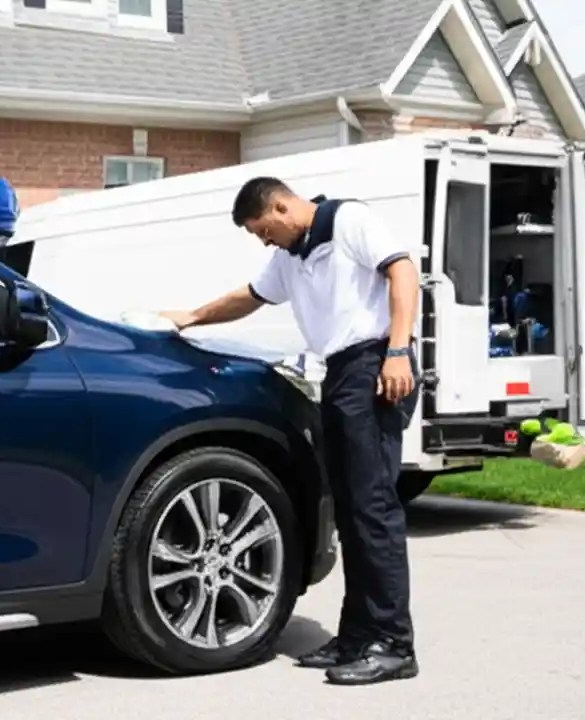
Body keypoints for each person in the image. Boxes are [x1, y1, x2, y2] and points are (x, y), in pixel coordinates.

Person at [159, 177, 422, 686]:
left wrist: (397, 349)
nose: (264, 241)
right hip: (341, 372)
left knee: (374, 509)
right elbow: (250, 297)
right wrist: (190, 318)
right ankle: (357, 636)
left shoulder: (349, 221)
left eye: (263, 230)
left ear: (280, 206)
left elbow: (402, 271)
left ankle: (392, 644)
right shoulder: (292, 256)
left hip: (374, 363)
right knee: (349, 511)